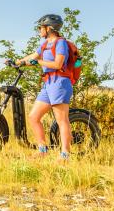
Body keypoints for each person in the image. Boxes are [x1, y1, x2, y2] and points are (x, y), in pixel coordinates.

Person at [11, 13, 73, 159]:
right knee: (34, 117)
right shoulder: (45, 45)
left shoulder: (60, 43)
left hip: (59, 83)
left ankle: (65, 155)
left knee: (62, 120)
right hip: (48, 84)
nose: (39, 30)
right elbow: (33, 57)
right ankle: (42, 151)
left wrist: (38, 62)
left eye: (41, 27)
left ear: (49, 28)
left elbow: (58, 64)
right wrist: (17, 62)